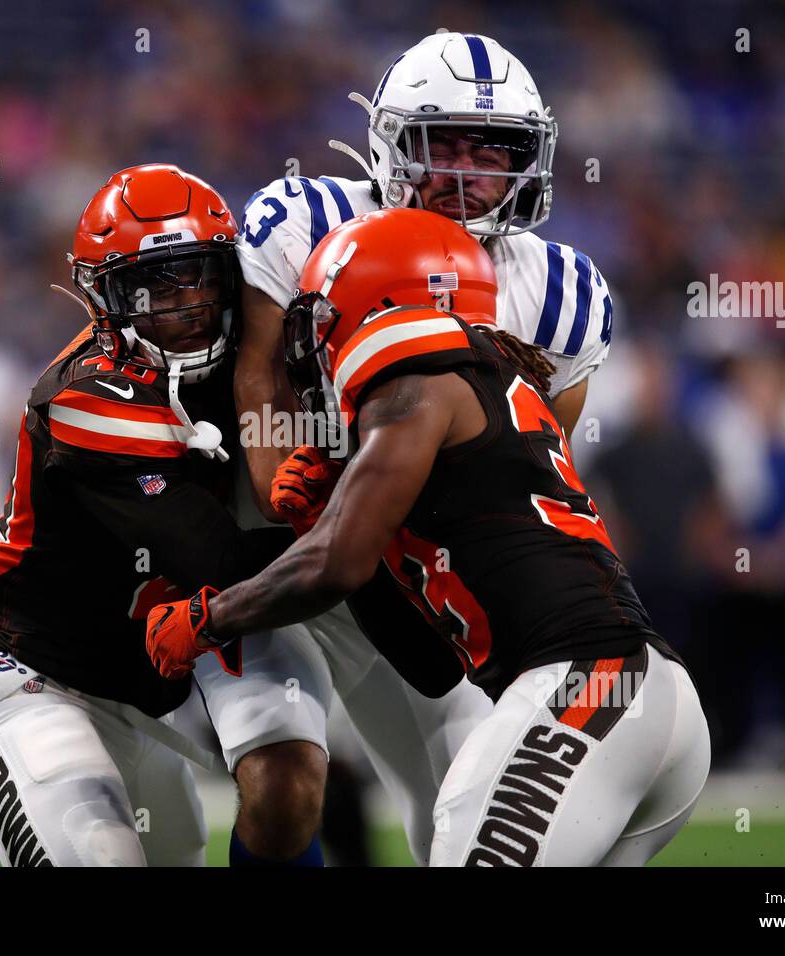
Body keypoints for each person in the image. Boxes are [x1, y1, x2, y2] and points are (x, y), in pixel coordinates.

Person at [147, 208, 711, 866]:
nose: (315, 337)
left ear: (381, 304)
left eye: (328, 312)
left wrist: (208, 618)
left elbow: (334, 566)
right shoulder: (473, 388)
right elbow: (433, 666)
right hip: (636, 700)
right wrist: (330, 514)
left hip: (587, 689)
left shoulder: (419, 381)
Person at [223, 31, 616, 863]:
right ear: (390, 142)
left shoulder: (560, 293)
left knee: (462, 791)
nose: (469, 171)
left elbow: (522, 473)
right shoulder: (308, 219)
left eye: (494, 149)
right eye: (444, 144)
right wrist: (286, 495)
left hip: (410, 575)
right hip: (273, 543)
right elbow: (260, 379)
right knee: (281, 782)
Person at [0, 163, 299, 866]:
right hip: (30, 687)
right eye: (157, 284)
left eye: (199, 275)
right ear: (108, 297)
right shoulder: (89, 401)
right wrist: (360, 537)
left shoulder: (245, 367)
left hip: (139, 705)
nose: (187, 303)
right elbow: (220, 560)